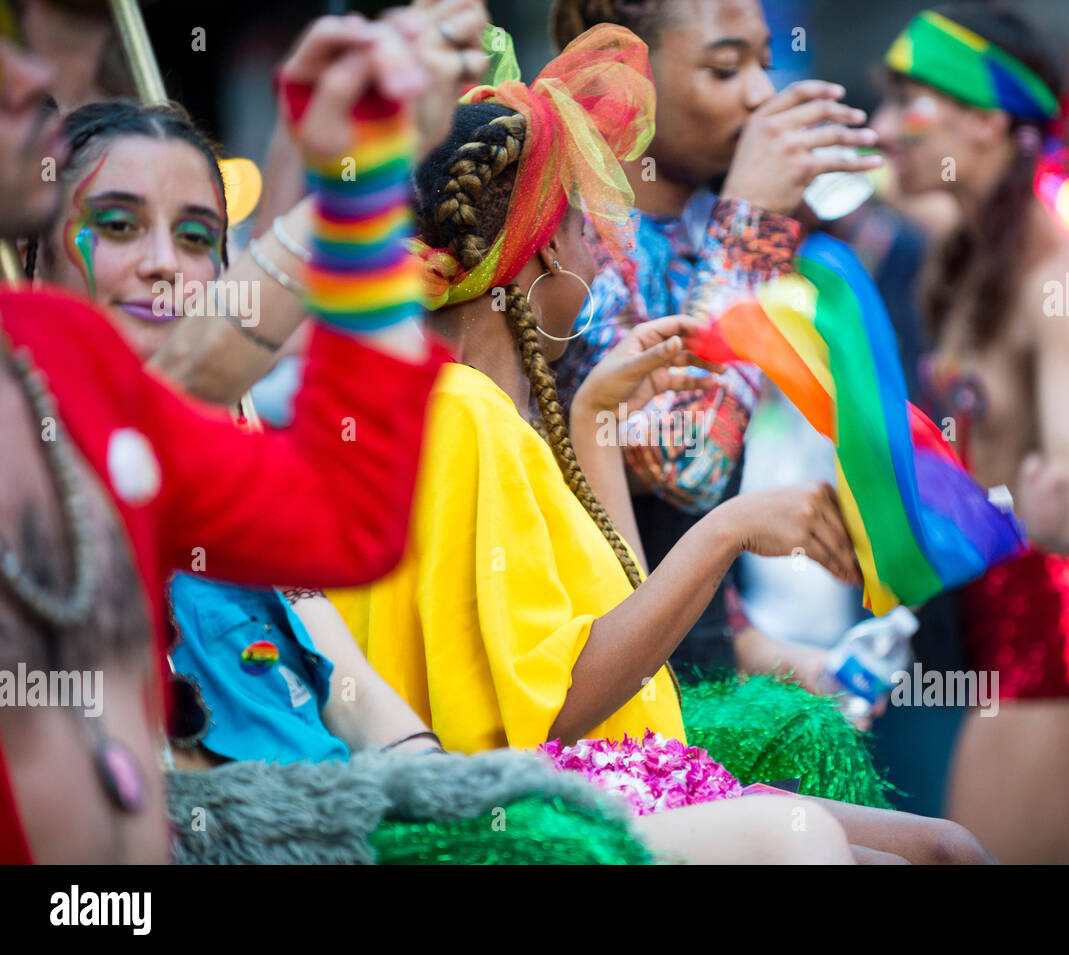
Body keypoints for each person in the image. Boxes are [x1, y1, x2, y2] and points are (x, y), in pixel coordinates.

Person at [331, 25, 992, 864]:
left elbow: (617, 631)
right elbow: (561, 704)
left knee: (949, 847)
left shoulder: (487, 411)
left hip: (622, 766)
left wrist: (593, 422)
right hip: (560, 798)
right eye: (582, 230)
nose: (605, 258)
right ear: (541, 263)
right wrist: (729, 529)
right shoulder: (461, 414)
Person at [0, 4, 482, 863]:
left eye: (197, 239)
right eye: (115, 226)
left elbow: (348, 520)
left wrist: (365, 178)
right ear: (36, 260)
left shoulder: (86, 376)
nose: (164, 265)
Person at [869, 4, 1069, 863]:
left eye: (905, 103)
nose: (884, 131)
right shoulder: (966, 241)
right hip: (992, 630)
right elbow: (868, 177)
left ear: (987, 122)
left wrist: (1063, 498)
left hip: (1057, 638)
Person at [549, 0, 880, 675]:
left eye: (765, 62)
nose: (763, 94)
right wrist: (753, 225)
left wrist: (804, 666)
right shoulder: (569, 249)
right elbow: (689, 467)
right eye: (726, 68)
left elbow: (684, 569)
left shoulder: (707, 231)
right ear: (616, 86)